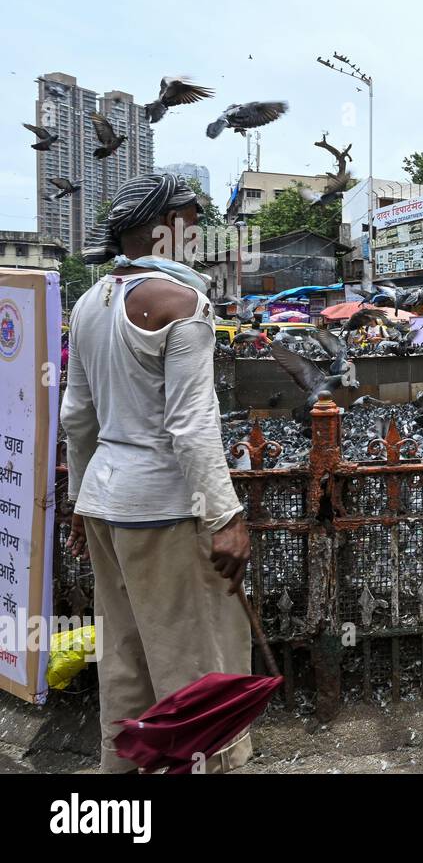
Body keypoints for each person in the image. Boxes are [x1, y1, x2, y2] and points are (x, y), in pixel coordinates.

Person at [62, 174, 253, 774]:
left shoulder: (90, 304)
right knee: (194, 668)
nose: (197, 232)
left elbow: (76, 416)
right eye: (189, 218)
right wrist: (226, 516)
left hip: (105, 503)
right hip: (164, 508)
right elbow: (191, 426)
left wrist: (77, 502)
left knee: (124, 660)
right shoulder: (184, 304)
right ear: (157, 227)